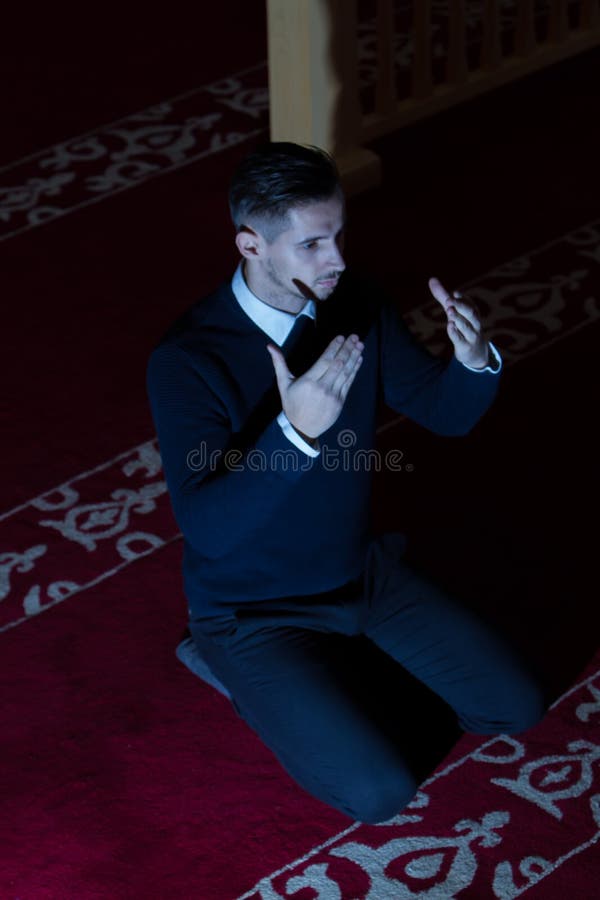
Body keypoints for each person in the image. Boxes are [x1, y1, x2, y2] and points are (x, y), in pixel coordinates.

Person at [146, 142, 544, 824]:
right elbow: (209, 530)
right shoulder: (188, 360)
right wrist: (294, 435)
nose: (338, 260)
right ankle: (228, 667)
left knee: (512, 708)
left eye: (339, 235)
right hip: (252, 610)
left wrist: (475, 362)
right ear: (251, 244)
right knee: (379, 794)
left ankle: (332, 685)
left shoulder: (354, 302)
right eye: (313, 244)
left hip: (358, 574)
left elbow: (444, 415)